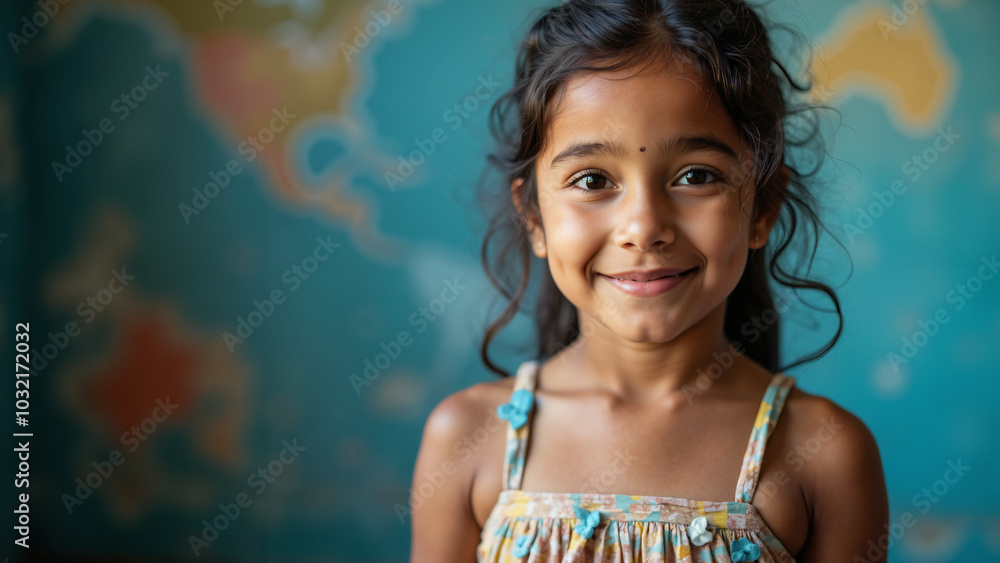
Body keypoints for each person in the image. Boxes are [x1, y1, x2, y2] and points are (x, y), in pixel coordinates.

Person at [409, 0, 888, 561]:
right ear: (534, 217)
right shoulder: (467, 438)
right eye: (592, 179)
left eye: (695, 176)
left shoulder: (826, 454)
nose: (643, 228)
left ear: (762, 207)